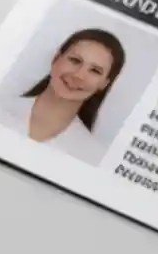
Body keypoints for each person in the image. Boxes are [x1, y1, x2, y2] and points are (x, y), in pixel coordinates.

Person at [8, 28, 125, 164]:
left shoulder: (92, 157)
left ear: (104, 83)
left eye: (95, 70)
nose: (78, 75)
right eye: (75, 60)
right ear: (56, 59)